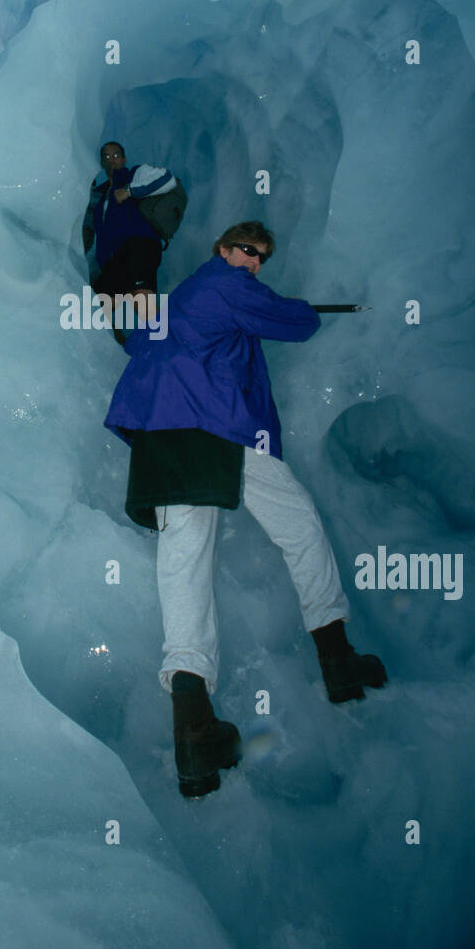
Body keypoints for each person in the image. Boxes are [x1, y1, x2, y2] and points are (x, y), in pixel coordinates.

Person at [104, 220, 387, 798]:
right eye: (247, 250)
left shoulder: (187, 297)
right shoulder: (224, 284)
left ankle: (193, 728)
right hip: (210, 425)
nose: (254, 261)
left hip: (163, 437)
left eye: (262, 256)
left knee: (184, 561)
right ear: (224, 250)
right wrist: (301, 309)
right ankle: (337, 659)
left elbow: (136, 342)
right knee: (298, 523)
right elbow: (293, 322)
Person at [82, 142, 177, 336]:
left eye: (116, 155)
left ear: (124, 159)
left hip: (139, 246)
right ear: (100, 162)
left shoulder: (135, 175)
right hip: (112, 261)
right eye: (106, 156)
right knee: (95, 314)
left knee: (140, 301)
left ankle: (174, 352)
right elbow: (87, 234)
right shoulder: (98, 197)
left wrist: (129, 191)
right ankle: (119, 355)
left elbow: (167, 179)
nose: (112, 159)